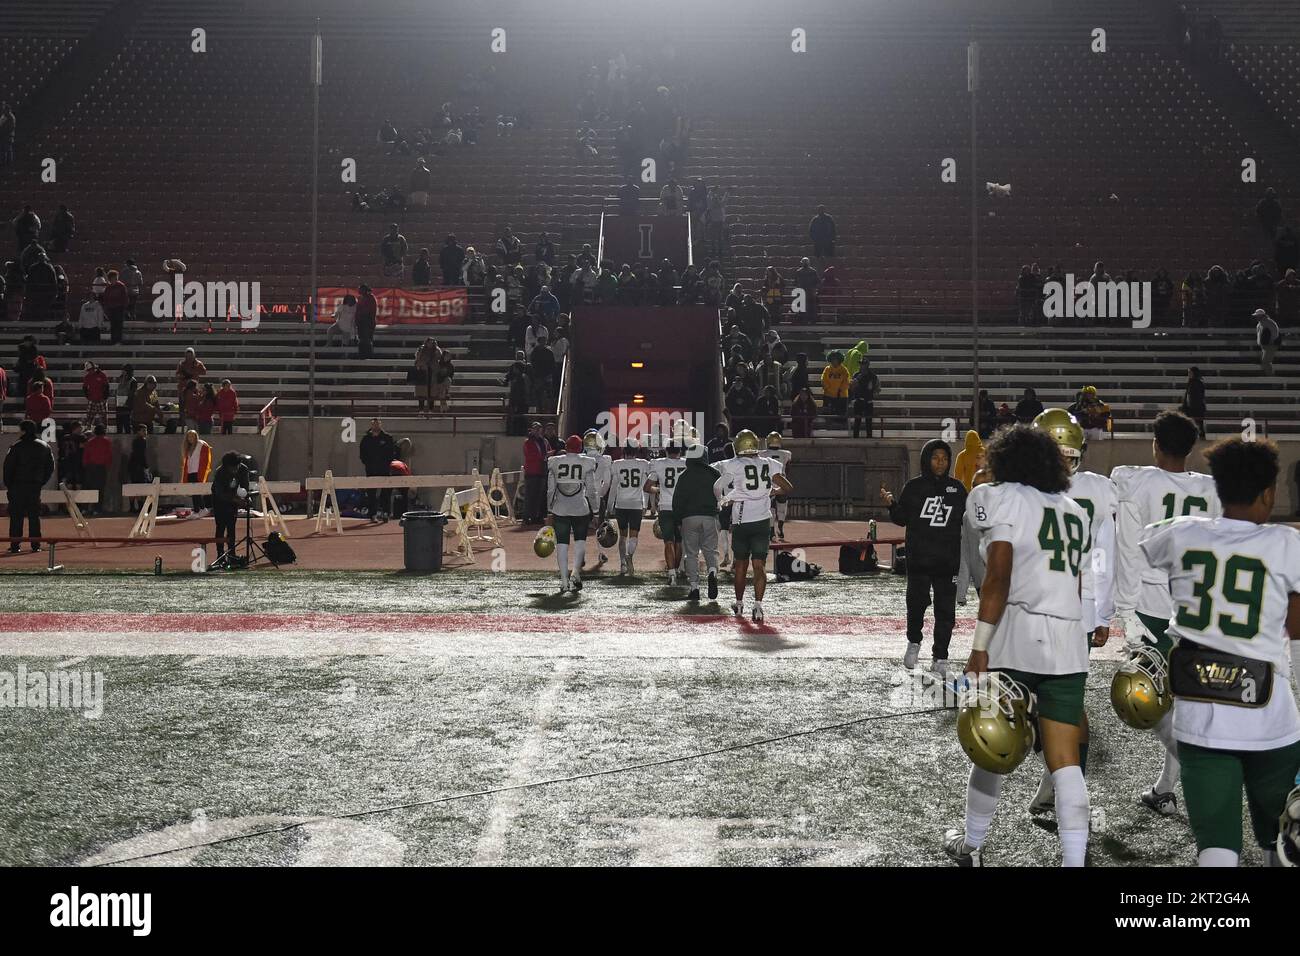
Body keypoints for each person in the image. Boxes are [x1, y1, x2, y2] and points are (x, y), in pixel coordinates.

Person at [1139, 438, 1300, 867]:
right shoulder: (1288, 543)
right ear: (1269, 493)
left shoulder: (1181, 534)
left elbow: (1147, 542)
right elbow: (1297, 631)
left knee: (1216, 847)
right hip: (1271, 717)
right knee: (1281, 846)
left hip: (1201, 712)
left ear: (1219, 490)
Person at [943, 425, 1093, 868]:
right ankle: (1073, 858)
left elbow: (998, 577)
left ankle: (972, 844)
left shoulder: (999, 496)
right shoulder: (1074, 509)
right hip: (1067, 641)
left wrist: (978, 647)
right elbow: (1078, 583)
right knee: (1065, 760)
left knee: (992, 741)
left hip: (1015, 636)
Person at [1112, 410, 1221, 817]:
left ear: (1156, 445)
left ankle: (1198, 776)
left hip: (1153, 607)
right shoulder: (1211, 489)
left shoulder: (1136, 481)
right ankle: (1164, 788)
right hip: (1194, 606)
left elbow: (1128, 550)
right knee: (1186, 701)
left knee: (1150, 702)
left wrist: (1125, 611)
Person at [881, 437, 966, 676]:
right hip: (919, 560)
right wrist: (890, 504)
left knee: (946, 612)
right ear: (926, 459)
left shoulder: (958, 489)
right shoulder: (914, 487)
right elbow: (901, 518)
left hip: (948, 562)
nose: (940, 462)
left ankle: (941, 657)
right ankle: (914, 643)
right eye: (936, 458)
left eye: (944, 458)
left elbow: (968, 520)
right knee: (916, 605)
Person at [713, 429, 793, 623]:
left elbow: (715, 480)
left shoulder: (733, 463)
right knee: (760, 565)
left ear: (738, 446)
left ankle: (739, 604)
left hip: (742, 521)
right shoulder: (769, 463)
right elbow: (788, 488)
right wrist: (768, 493)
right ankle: (758, 606)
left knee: (740, 565)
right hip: (762, 521)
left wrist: (724, 499)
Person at [546, 434, 600, 594]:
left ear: (566, 447)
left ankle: (564, 581)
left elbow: (550, 490)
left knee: (562, 544)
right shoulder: (587, 462)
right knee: (580, 542)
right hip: (580, 508)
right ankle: (575, 573)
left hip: (560, 508)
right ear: (580, 448)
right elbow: (592, 490)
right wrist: (596, 511)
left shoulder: (555, 462)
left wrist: (549, 510)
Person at [673, 441, 722, 601]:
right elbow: (721, 496)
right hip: (710, 516)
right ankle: (712, 571)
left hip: (689, 517)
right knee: (711, 550)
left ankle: (694, 587)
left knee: (691, 554)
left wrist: (677, 520)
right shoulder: (715, 474)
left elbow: (677, 501)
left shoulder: (684, 476)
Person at [3, 420, 55, 553]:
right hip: (34, 486)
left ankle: (15, 545)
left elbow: (8, 468)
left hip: (17, 486)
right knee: (34, 516)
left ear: (24, 431)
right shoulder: (44, 446)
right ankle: (35, 544)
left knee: (16, 516)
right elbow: (50, 467)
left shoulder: (16, 446)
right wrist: (40, 481)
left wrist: (9, 484)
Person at [607, 435, 650, 576]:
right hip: (636, 503)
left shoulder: (617, 464)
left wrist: (609, 506)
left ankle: (622, 564)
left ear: (624, 449)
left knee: (623, 536)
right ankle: (629, 556)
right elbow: (646, 486)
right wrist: (645, 504)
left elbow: (613, 487)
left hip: (621, 503)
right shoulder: (644, 464)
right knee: (634, 535)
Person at [647, 441, 688, 586]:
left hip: (666, 507)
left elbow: (647, 487)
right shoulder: (686, 463)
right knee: (679, 541)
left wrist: (658, 490)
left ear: (666, 451)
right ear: (680, 451)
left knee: (668, 541)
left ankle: (671, 574)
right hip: (682, 507)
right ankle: (676, 569)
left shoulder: (658, 463)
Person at [210, 451, 251, 565]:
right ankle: (220, 554)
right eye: (232, 468)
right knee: (221, 527)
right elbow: (220, 493)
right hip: (219, 500)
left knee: (231, 526)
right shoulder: (220, 472)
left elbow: (244, 486)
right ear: (226, 466)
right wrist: (236, 500)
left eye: (236, 467)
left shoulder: (243, 469)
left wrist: (245, 498)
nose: (235, 470)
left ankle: (232, 554)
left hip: (233, 499)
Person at [360, 419, 398, 521]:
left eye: (377, 424)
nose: (376, 426)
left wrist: (385, 464)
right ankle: (373, 514)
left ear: (380, 425)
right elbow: (362, 454)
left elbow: (392, 453)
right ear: (371, 425)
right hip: (371, 470)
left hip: (384, 469)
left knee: (386, 492)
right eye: (374, 424)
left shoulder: (387, 438)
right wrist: (368, 464)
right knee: (371, 493)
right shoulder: (366, 439)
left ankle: (386, 513)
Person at [764, 433, 792, 540]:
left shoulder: (763, 454)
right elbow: (788, 468)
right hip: (781, 481)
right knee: (782, 506)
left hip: (769, 482)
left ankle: (771, 532)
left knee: (770, 508)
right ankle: (780, 526)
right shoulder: (786, 454)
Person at [180, 430, 213, 515]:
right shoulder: (188, 447)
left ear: (196, 436)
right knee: (194, 492)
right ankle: (199, 509)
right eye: (189, 436)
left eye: (192, 436)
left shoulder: (201, 444)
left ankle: (199, 509)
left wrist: (202, 472)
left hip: (197, 472)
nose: (190, 438)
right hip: (190, 472)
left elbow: (205, 459)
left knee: (196, 492)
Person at [81, 423, 112, 515]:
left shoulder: (90, 442)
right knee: (100, 489)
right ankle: (97, 509)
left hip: (90, 467)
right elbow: (109, 456)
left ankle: (85, 508)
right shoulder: (107, 442)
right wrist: (108, 466)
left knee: (88, 487)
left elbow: (85, 455)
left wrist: (85, 465)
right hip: (101, 467)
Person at [521, 422, 549, 524]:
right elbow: (530, 455)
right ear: (531, 430)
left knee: (540, 495)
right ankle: (526, 516)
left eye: (539, 429)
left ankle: (537, 516)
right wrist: (544, 457)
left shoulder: (544, 441)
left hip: (542, 471)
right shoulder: (528, 442)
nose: (537, 431)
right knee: (530, 495)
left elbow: (547, 451)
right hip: (532, 471)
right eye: (535, 429)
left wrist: (546, 456)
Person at [849, 360, 879, 438]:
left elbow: (877, 388)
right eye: (861, 364)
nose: (862, 366)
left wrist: (875, 392)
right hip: (859, 401)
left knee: (869, 422)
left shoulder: (873, 376)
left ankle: (869, 438)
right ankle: (855, 439)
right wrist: (855, 381)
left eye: (864, 364)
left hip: (869, 401)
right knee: (857, 421)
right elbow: (851, 387)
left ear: (867, 365)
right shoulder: (856, 375)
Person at [820, 351, 849, 424]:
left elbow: (846, 381)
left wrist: (840, 390)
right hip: (828, 395)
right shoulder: (827, 369)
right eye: (832, 359)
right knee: (828, 415)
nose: (834, 361)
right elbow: (823, 380)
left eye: (835, 359)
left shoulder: (844, 370)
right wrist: (829, 389)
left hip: (841, 396)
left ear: (839, 360)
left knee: (840, 416)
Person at [1179, 367, 1207, 439]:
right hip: (1194, 407)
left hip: (1195, 408)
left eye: (1190, 372)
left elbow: (1195, 397)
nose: (1188, 374)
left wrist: (1187, 406)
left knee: (1197, 424)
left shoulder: (1196, 383)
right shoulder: (1194, 382)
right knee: (1197, 424)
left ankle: (1197, 438)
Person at [102, 269, 128, 343]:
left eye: (116, 278)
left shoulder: (121, 286)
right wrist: (107, 308)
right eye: (113, 278)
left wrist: (123, 307)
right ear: (110, 279)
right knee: (113, 325)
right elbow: (106, 299)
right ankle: (113, 340)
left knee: (119, 325)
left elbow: (125, 298)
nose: (115, 279)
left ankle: (119, 341)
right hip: (111, 308)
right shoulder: (108, 288)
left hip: (119, 308)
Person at [81, 361, 110, 428]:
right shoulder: (87, 377)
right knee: (89, 417)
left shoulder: (102, 375)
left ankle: (104, 429)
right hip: (92, 399)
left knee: (103, 417)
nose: (89, 371)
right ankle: (88, 429)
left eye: (89, 370)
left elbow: (106, 386)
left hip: (101, 399)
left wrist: (104, 397)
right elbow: (84, 387)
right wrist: (88, 397)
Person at [1255, 308, 1281, 375]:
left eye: (1257, 316)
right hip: (1264, 346)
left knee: (1266, 362)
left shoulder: (1269, 322)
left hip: (1270, 345)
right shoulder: (1260, 324)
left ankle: (1271, 378)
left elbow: (1275, 333)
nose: (1256, 317)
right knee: (1266, 362)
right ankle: (1269, 377)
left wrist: (1270, 342)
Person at [356, 285, 378, 358]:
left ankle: (368, 354)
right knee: (361, 338)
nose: (359, 291)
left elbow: (370, 310)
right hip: (360, 321)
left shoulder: (371, 298)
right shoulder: (359, 298)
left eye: (361, 289)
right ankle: (362, 353)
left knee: (368, 338)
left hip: (368, 321)